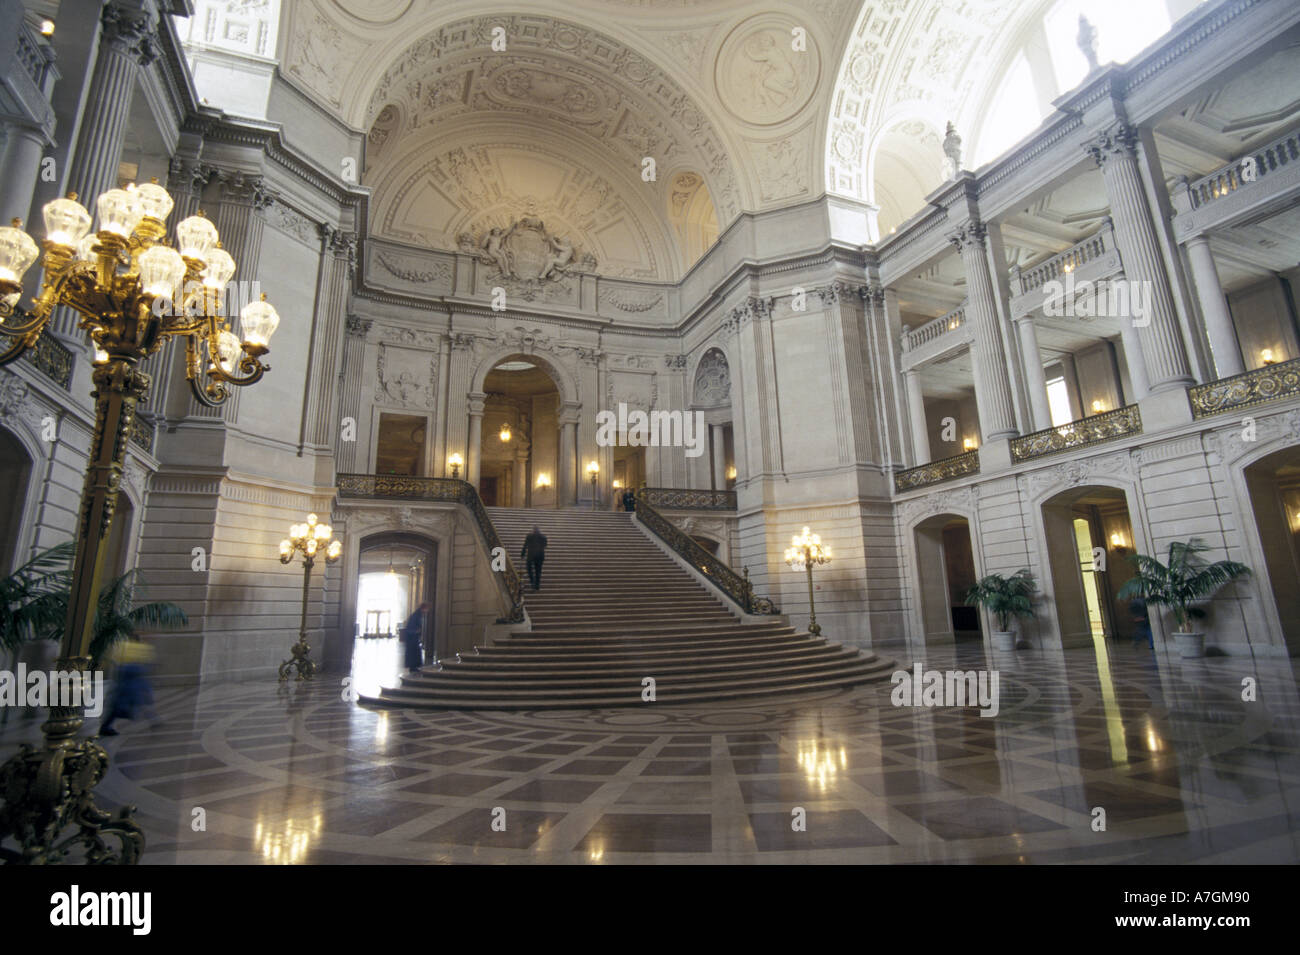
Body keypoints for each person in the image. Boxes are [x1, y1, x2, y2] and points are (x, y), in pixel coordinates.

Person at [99, 635, 157, 736]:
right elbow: (148, 663)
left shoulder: (124, 646)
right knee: (139, 700)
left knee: (119, 704)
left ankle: (153, 719)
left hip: (125, 677)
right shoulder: (143, 648)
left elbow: (114, 660)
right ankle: (153, 719)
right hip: (135, 677)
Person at [400, 602, 429, 674]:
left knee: (415, 653)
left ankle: (414, 667)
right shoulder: (416, 615)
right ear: (423, 608)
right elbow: (411, 628)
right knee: (413, 653)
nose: (427, 611)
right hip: (412, 638)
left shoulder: (418, 614)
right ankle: (413, 667)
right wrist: (416, 631)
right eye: (426, 609)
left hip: (414, 638)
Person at [522, 525, 547, 591]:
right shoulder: (543, 537)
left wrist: (523, 553)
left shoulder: (529, 536)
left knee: (529, 569)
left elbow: (525, 545)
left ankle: (533, 582)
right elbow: (545, 545)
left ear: (533, 530)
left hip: (531, 556)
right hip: (540, 556)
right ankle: (537, 585)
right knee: (538, 571)